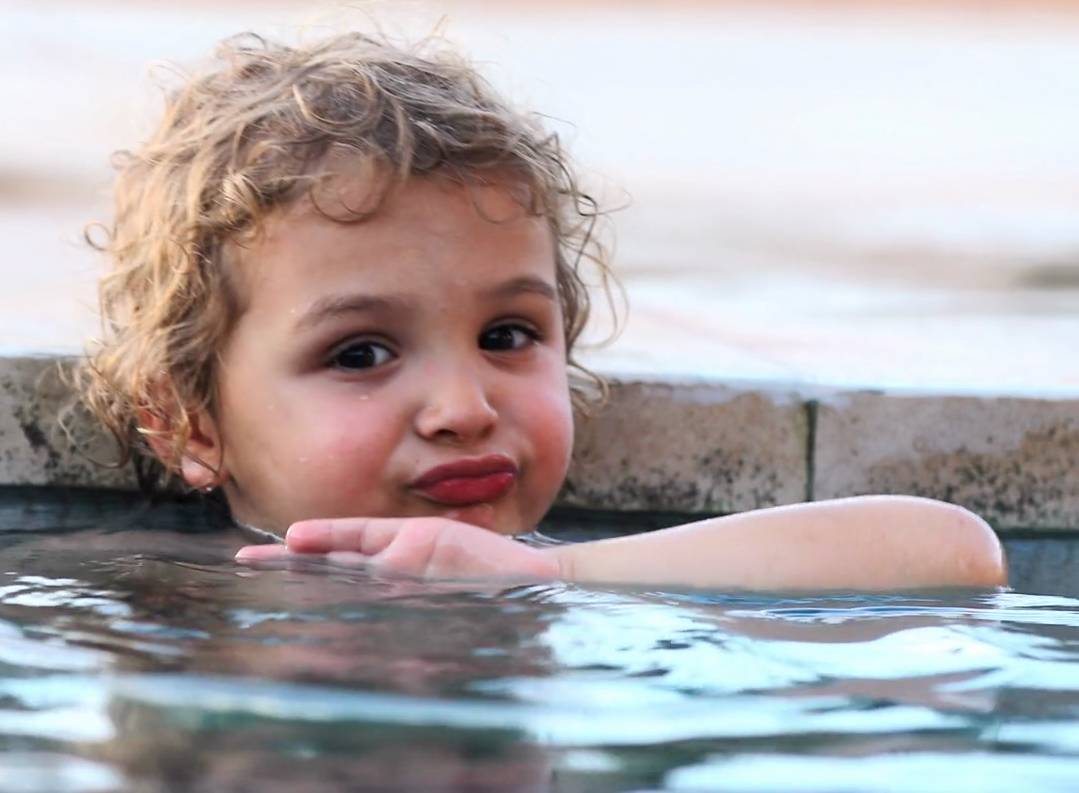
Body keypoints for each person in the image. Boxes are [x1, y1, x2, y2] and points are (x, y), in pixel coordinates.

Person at [80, 30, 1006, 590]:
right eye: (360, 353)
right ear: (188, 421)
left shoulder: (567, 575)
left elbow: (952, 554)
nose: (465, 406)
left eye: (507, 335)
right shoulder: (163, 594)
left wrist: (557, 574)